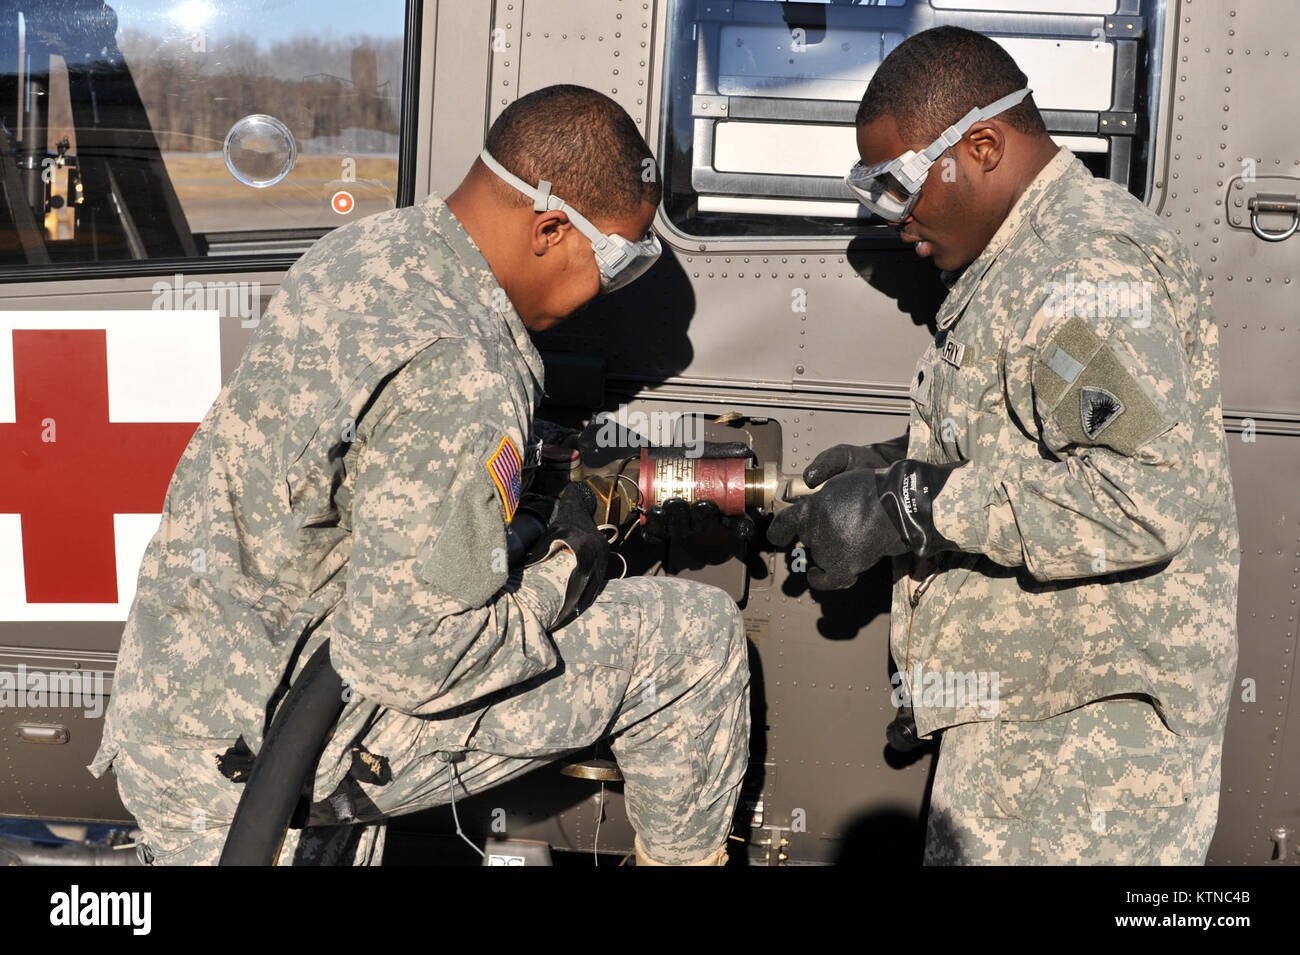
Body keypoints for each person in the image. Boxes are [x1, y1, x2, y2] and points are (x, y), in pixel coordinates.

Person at [89, 84, 751, 866]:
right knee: (695, 638)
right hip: (265, 764)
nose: (611, 286)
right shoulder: (469, 366)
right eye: (619, 257)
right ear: (548, 228)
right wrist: (567, 569)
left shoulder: (375, 249)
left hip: (180, 706)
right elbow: (407, 657)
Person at [767, 27, 1238, 865]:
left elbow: (1142, 495)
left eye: (901, 187)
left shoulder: (1084, 268)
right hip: (1039, 724)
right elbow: (1037, 431)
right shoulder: (1023, 260)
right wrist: (893, 463)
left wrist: (909, 506)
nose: (896, 221)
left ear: (981, 145)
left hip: (1084, 764)